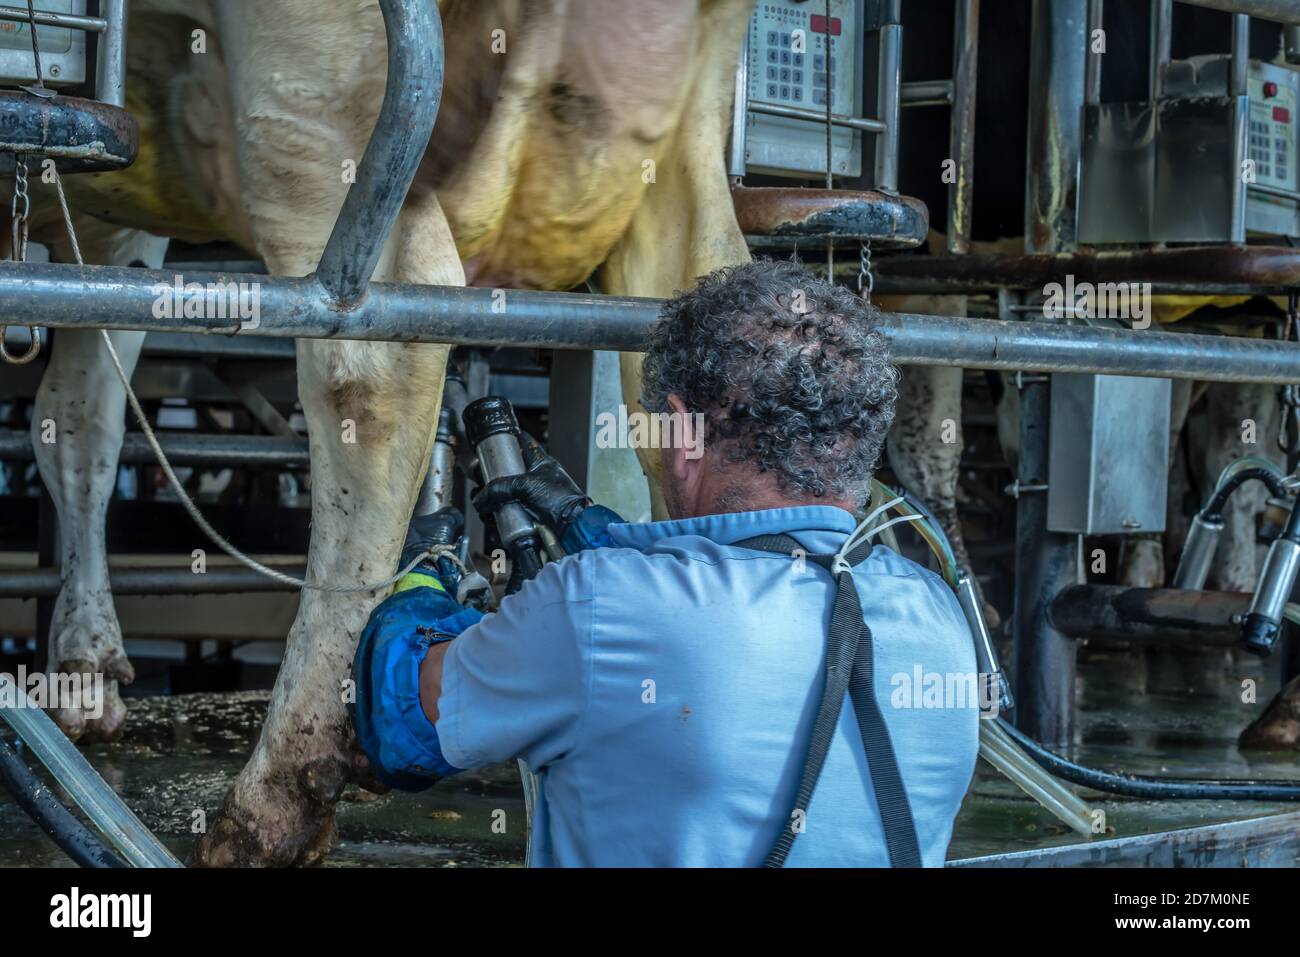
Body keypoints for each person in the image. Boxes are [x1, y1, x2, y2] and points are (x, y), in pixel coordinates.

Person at [351, 260, 980, 867]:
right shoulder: (935, 612)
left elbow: (402, 727)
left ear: (684, 434)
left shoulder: (597, 606)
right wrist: (588, 528)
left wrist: (422, 574)